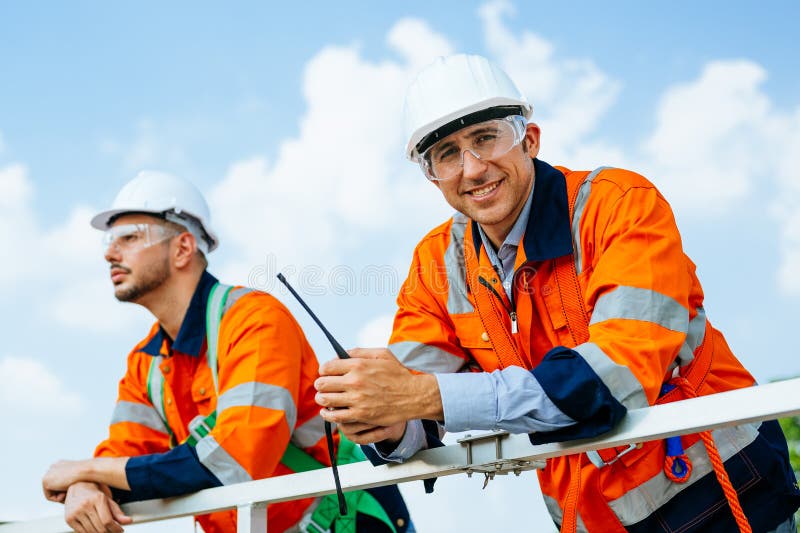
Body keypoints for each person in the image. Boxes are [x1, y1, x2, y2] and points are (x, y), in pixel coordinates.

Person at [314, 54, 800, 532]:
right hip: (588, 514)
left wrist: (419, 395)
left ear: (530, 139)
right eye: (446, 154)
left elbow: (614, 381)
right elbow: (414, 413)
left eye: (486, 138)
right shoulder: (435, 265)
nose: (473, 168)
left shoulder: (619, 207)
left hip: (723, 492)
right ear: (432, 176)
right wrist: (379, 418)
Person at [42, 171, 411, 533]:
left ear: (183, 248)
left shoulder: (256, 321)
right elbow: (122, 459)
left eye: (128, 237)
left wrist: (85, 470)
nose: (109, 252)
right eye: (109, 240)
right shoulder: (145, 361)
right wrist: (86, 485)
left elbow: (232, 462)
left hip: (345, 522)